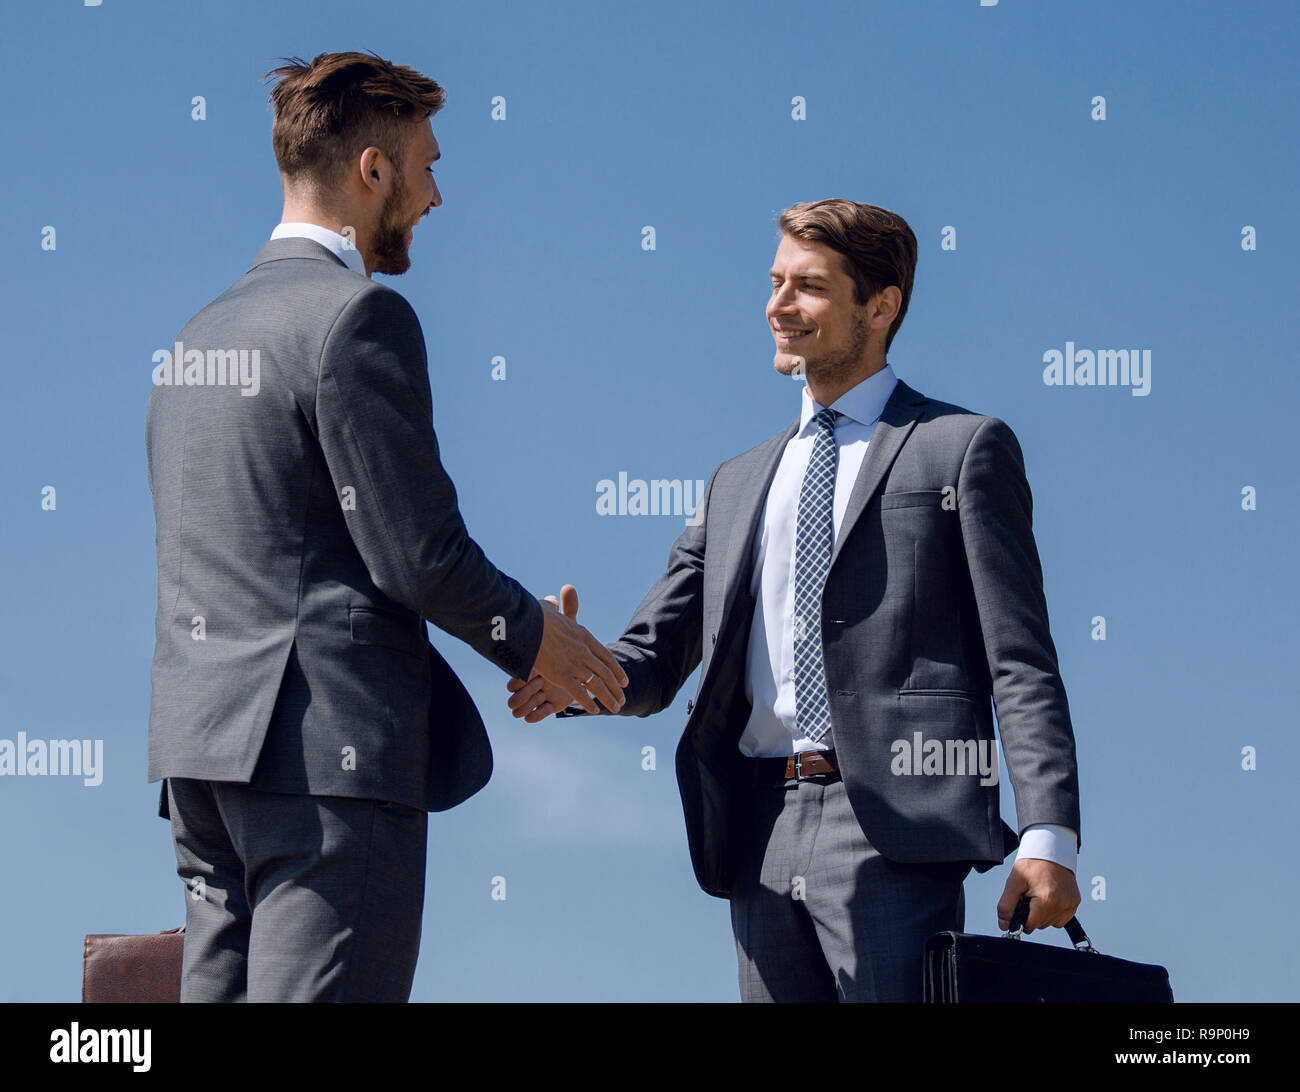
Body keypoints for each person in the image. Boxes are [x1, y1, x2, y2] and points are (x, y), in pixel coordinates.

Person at [508, 199, 1081, 1002]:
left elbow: (1019, 658)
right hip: (756, 829)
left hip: (892, 828)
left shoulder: (962, 448)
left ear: (880, 306)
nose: (778, 305)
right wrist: (579, 670)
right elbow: (659, 654)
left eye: (807, 286)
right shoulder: (738, 481)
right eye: (775, 282)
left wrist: (1048, 834)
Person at [145, 50, 625, 1002]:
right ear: (374, 170)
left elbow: (299, 543)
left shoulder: (191, 343)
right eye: (429, 165)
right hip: (331, 760)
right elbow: (416, 555)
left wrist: (519, 627)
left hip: (200, 762)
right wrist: (537, 641)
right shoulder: (357, 318)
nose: (436, 195)